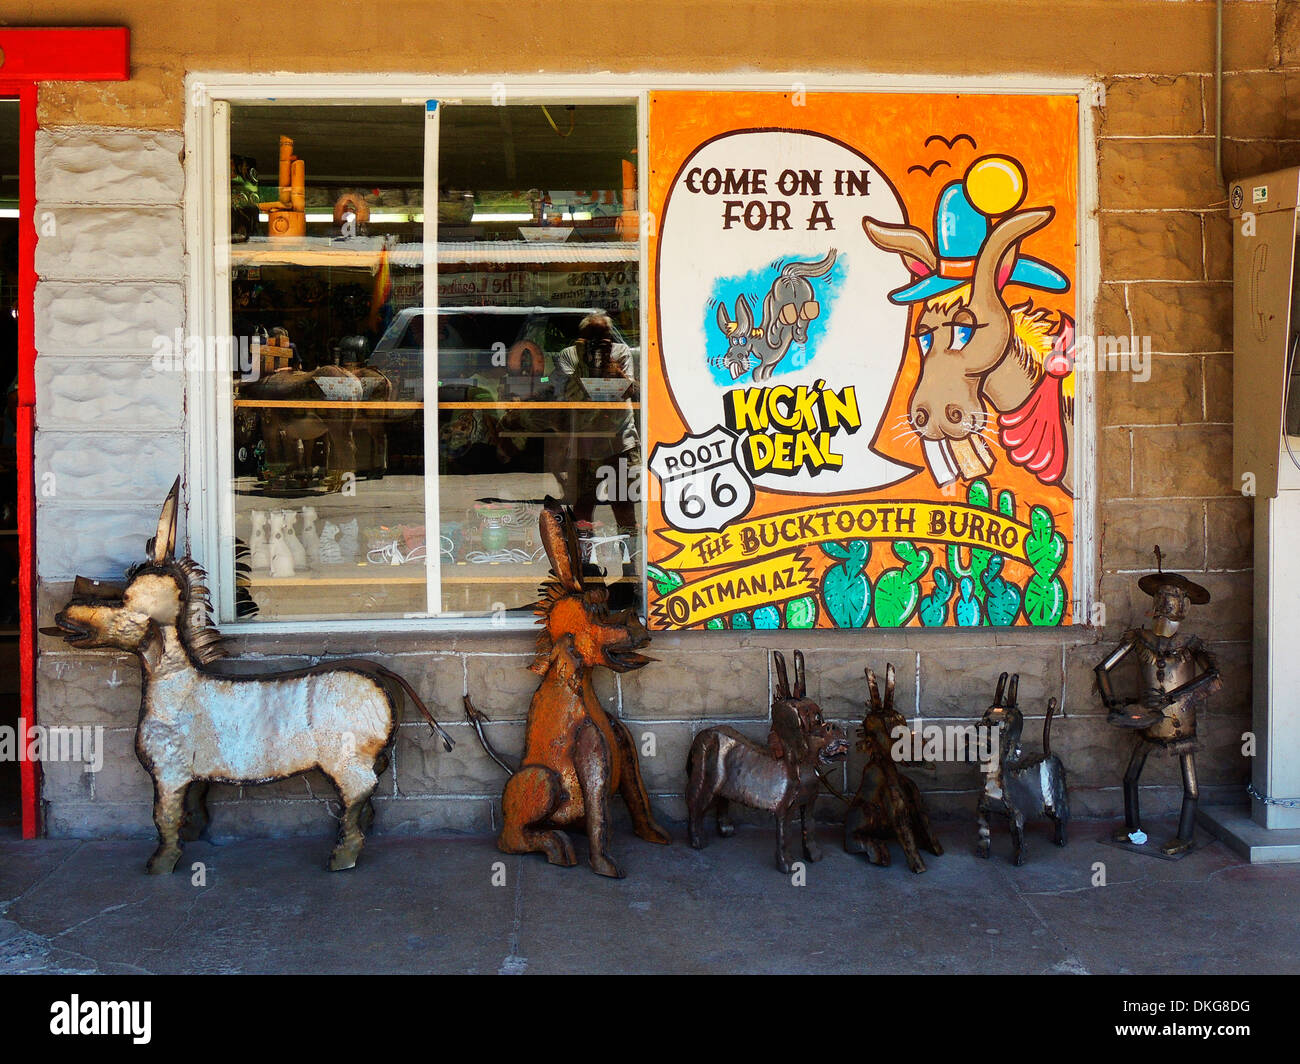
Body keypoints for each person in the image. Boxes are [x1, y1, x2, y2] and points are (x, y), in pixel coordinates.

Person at [552, 313, 640, 605]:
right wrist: (588, 364)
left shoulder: (621, 353)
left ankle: (631, 572)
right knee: (583, 510)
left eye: (607, 337)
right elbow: (571, 395)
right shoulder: (568, 356)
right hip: (585, 443)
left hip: (619, 441)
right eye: (594, 338)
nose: (602, 343)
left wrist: (609, 366)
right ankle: (588, 571)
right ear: (582, 339)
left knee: (624, 509)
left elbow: (630, 391)